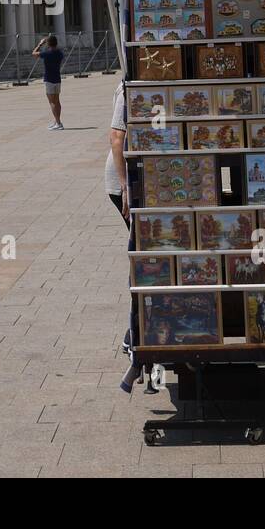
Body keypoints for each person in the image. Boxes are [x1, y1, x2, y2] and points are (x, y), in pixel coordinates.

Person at [106, 78, 152, 394]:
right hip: (124, 184)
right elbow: (116, 137)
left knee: (146, 256)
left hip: (141, 181)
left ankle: (137, 332)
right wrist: (126, 187)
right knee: (143, 258)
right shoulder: (129, 87)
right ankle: (138, 335)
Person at [33, 34, 65, 130]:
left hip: (49, 79)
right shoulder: (59, 53)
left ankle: (58, 123)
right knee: (57, 101)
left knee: (52, 102)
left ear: (48, 43)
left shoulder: (47, 53)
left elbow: (34, 53)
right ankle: (57, 121)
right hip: (57, 79)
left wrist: (40, 44)